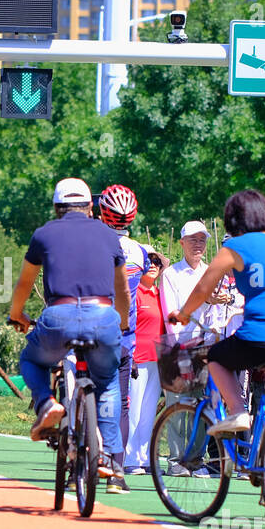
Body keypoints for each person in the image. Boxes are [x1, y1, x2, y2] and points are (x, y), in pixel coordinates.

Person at [170, 189, 265, 507]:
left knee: (217, 357)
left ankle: (237, 411)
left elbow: (204, 287)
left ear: (234, 219)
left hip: (261, 336)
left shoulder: (234, 246)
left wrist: (182, 314)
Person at [9, 178, 131, 492]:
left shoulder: (43, 234)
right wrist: (120, 323)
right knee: (107, 381)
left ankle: (46, 403)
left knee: (32, 361)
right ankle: (108, 456)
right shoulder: (108, 234)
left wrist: (16, 314)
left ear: (56, 207)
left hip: (58, 317)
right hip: (103, 315)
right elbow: (122, 289)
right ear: (91, 207)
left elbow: (25, 282)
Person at [97, 184, 150, 455]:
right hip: (124, 338)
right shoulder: (140, 252)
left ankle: (76, 457)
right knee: (122, 405)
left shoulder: (93, 244)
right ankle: (117, 471)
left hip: (93, 331)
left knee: (77, 390)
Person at [124, 250, 169, 474]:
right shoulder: (136, 292)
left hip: (156, 360)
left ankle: (144, 457)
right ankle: (130, 458)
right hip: (137, 360)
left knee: (149, 411)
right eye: (149, 261)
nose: (153, 265)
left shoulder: (161, 293)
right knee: (134, 410)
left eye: (157, 262)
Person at [159, 220, 233, 346]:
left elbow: (215, 313)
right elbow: (170, 316)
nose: (198, 244)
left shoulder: (210, 272)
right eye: (193, 239)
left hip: (207, 344)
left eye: (202, 240)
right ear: (182, 243)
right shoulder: (170, 274)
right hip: (182, 346)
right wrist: (177, 347)